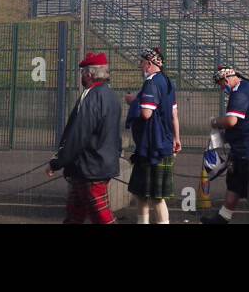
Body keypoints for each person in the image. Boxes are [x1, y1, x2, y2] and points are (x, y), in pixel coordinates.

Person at [46, 52, 122, 224]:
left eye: (82, 73)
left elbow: (78, 135)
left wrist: (57, 161)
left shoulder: (91, 97)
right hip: (99, 164)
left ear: (89, 74)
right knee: (75, 214)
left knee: (102, 217)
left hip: (90, 167)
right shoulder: (111, 96)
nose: (81, 76)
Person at [202, 65, 249, 224]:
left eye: (221, 85)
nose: (222, 89)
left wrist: (215, 122)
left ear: (226, 79)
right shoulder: (248, 88)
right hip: (245, 148)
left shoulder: (239, 92)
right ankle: (222, 218)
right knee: (235, 185)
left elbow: (231, 120)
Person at [124, 47, 181, 224]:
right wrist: (177, 139)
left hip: (151, 146)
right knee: (145, 194)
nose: (140, 66)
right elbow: (174, 115)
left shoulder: (151, 83)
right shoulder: (167, 82)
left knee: (153, 197)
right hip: (163, 142)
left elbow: (147, 113)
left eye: (142, 62)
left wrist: (135, 103)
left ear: (149, 64)